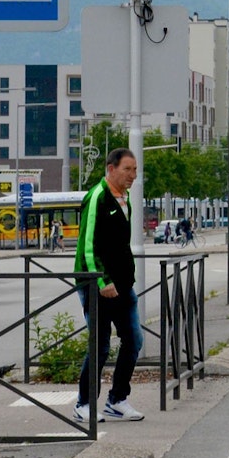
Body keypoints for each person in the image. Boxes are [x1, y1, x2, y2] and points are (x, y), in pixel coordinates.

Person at [74, 148, 145, 423]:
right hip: (98, 284)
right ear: (111, 168)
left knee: (133, 340)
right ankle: (84, 403)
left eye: (135, 170)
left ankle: (117, 399)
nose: (133, 175)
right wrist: (101, 280)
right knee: (101, 346)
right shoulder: (97, 198)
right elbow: (88, 246)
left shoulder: (124, 199)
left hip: (123, 284)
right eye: (128, 169)